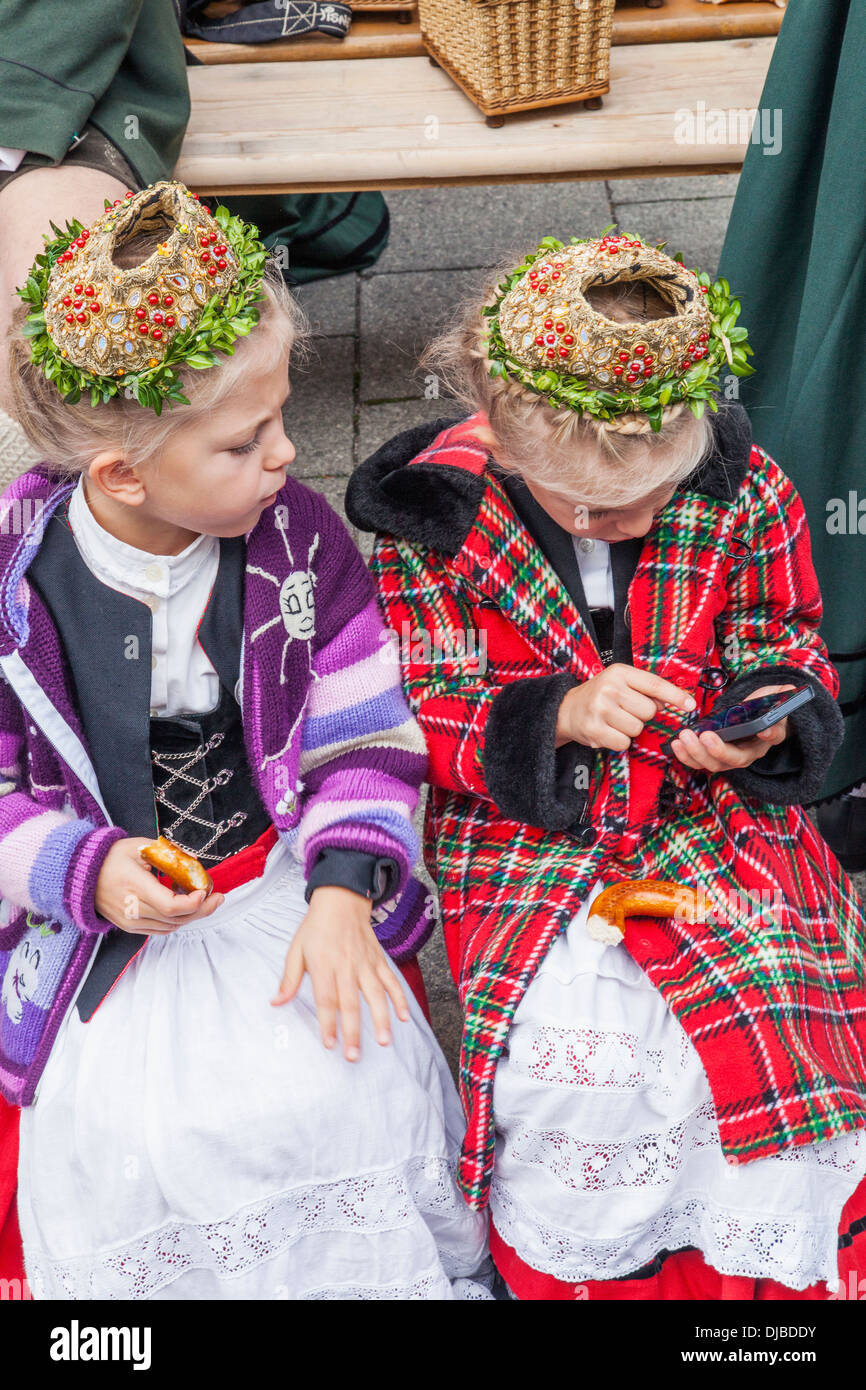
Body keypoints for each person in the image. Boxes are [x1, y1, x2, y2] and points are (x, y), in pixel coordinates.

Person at [345, 232, 866, 1299]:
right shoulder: (434, 525)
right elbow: (417, 707)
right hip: (525, 827)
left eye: (647, 498)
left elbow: (784, 633)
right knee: (567, 1067)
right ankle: (581, 1269)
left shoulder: (738, 486)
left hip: (707, 811)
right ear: (498, 439)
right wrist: (564, 713)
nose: (627, 521)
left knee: (779, 1010)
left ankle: (752, 1280)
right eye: (594, 508)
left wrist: (760, 719)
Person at [0, 180, 490, 1300]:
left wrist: (340, 891)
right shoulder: (17, 589)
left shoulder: (300, 544)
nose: (285, 457)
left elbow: (363, 735)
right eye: (244, 440)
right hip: (109, 924)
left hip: (276, 879)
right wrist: (87, 866)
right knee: (137, 1144)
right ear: (123, 474)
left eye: (282, 418)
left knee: (342, 1087)